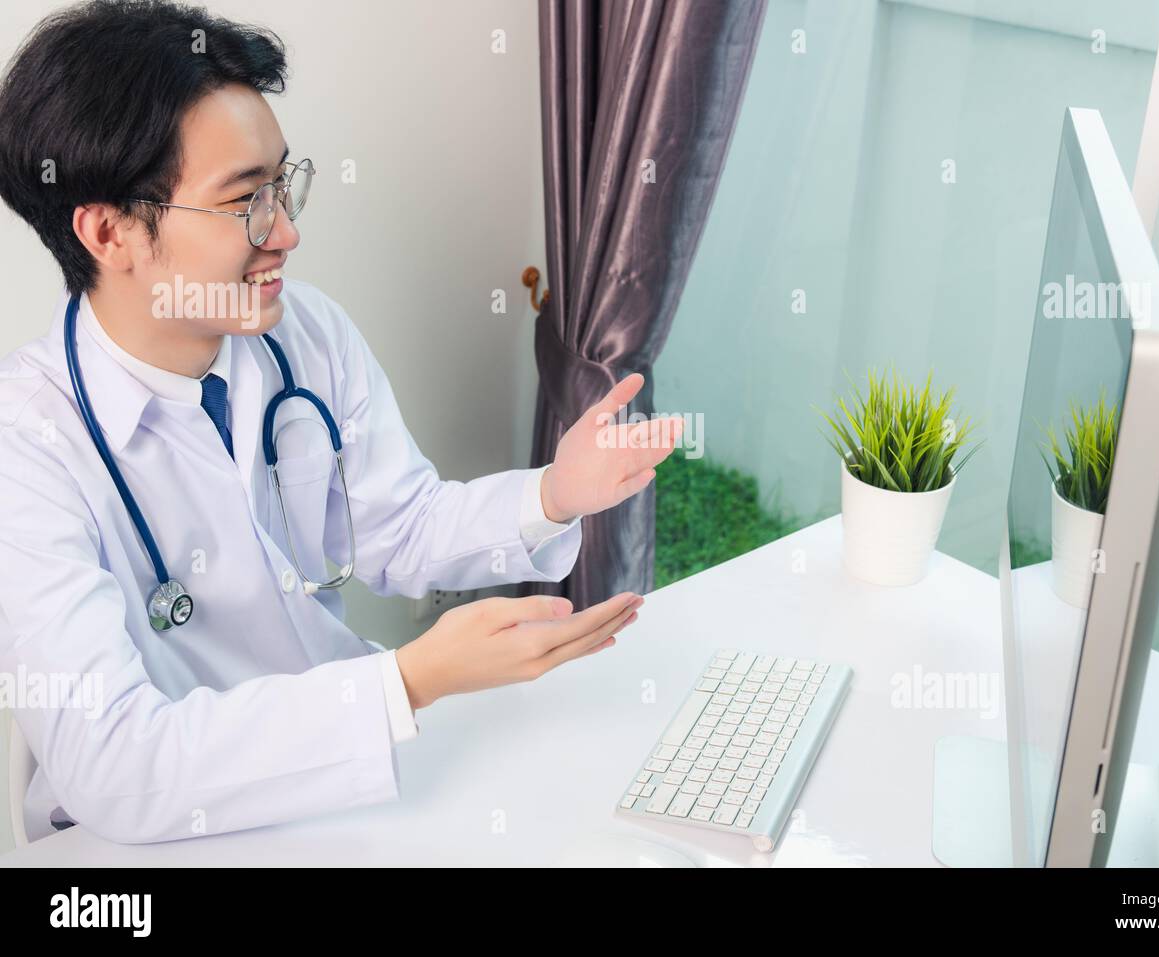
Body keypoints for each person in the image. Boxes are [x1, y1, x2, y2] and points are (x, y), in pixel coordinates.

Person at [0, 0, 680, 844]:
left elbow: (399, 526)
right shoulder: (26, 445)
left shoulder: (301, 331)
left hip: (350, 781)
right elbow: (117, 766)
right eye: (246, 200)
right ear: (109, 231)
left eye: (284, 184)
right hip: (147, 838)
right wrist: (407, 682)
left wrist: (553, 492)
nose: (287, 230)